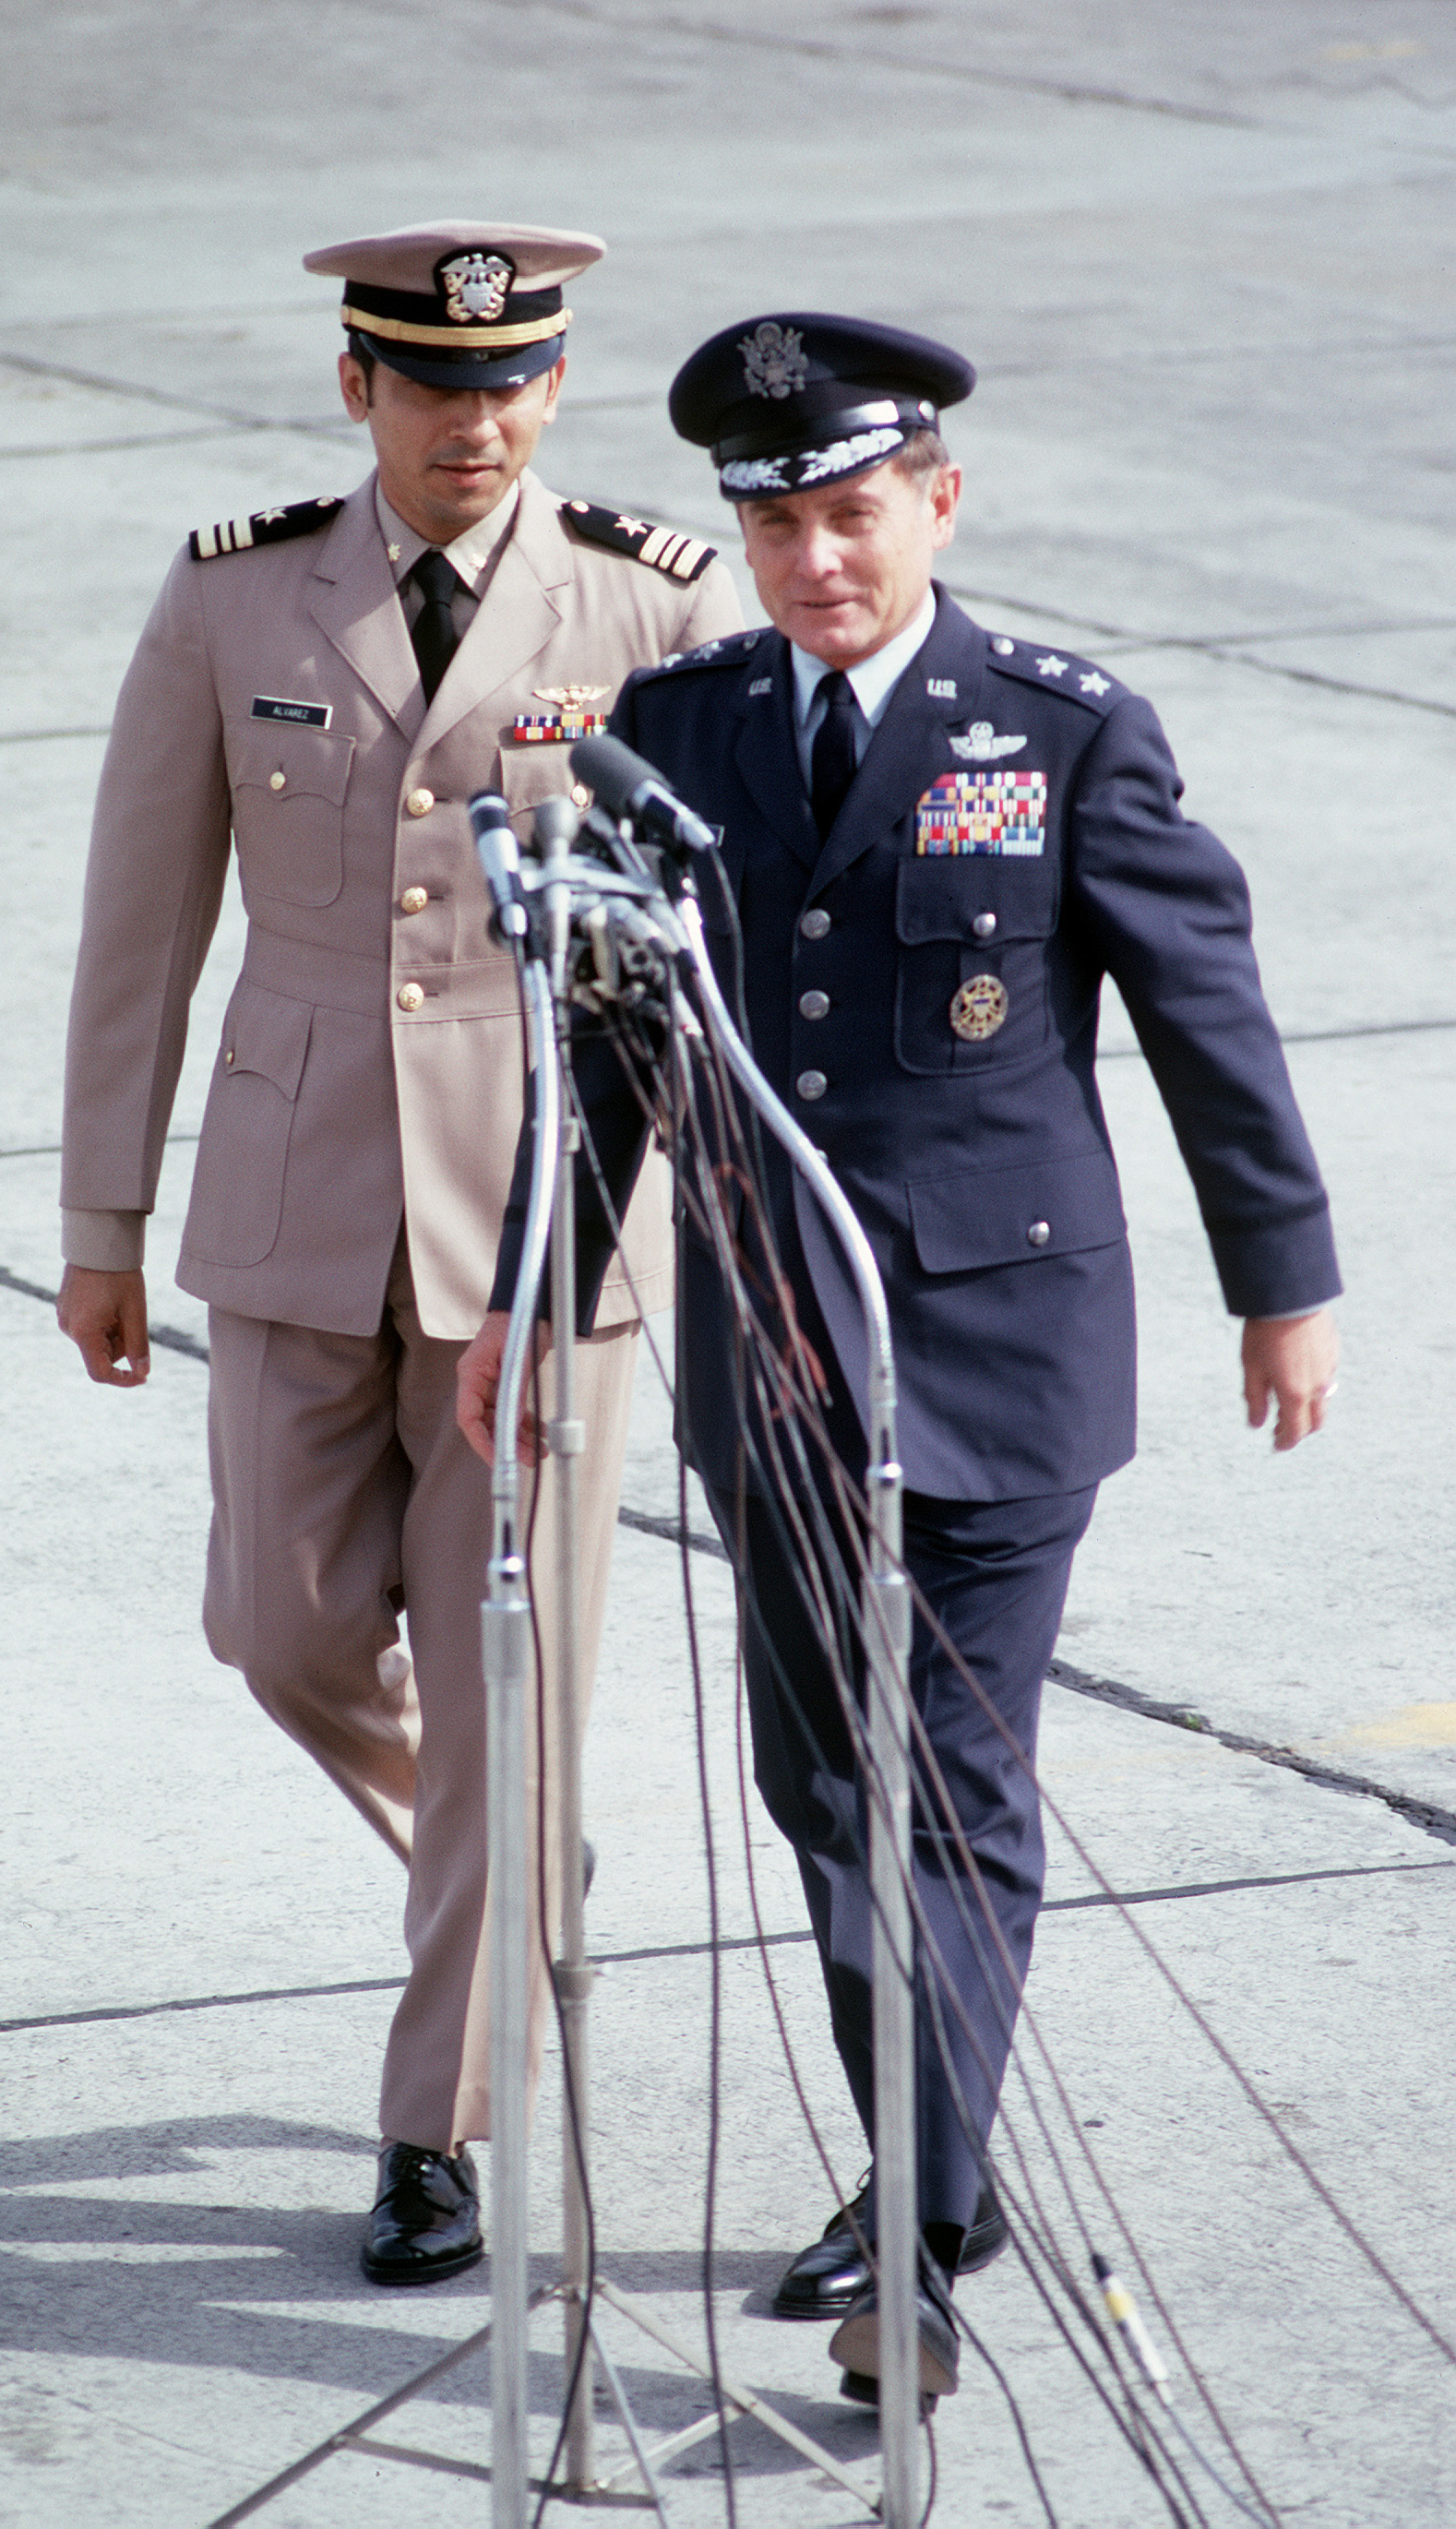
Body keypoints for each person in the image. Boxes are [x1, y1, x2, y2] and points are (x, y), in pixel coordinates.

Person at [457, 310, 1339, 2397]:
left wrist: (1278, 1278)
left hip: (1006, 1342)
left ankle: (916, 2243)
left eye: (851, 515)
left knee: (945, 1781)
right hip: (769, 1346)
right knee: (818, 1780)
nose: (814, 562)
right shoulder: (671, 731)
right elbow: (608, 1050)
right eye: (775, 527)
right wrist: (529, 1290)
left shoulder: (1059, 731)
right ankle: (932, 2169)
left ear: (935, 502)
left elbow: (1206, 1018)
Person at [55, 221, 740, 2285]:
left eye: (516, 383)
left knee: (506, 1678)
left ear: (555, 388)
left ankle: (434, 2125)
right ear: (358, 390)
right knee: (273, 1631)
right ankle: (514, 1857)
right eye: (437, 387)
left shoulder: (651, 598)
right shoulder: (235, 586)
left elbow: (702, 947)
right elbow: (138, 926)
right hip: (294, 1201)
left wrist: (720, 1228)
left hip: (553, 1217)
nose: (480, 420)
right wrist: (100, 1218)